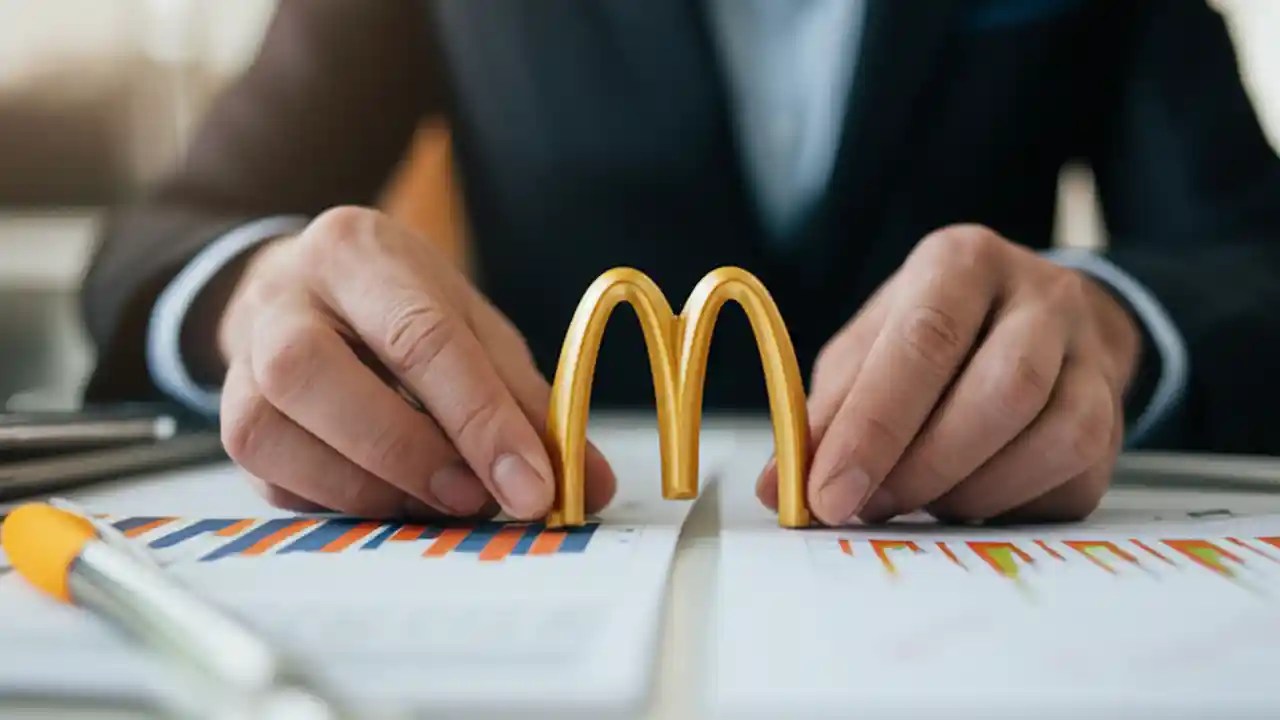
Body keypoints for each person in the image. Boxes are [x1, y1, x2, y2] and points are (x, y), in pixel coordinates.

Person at [81, 0, 1280, 527]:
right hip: (557, 543)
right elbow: (166, 231)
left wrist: (1116, 326)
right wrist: (257, 296)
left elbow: (1252, 255)